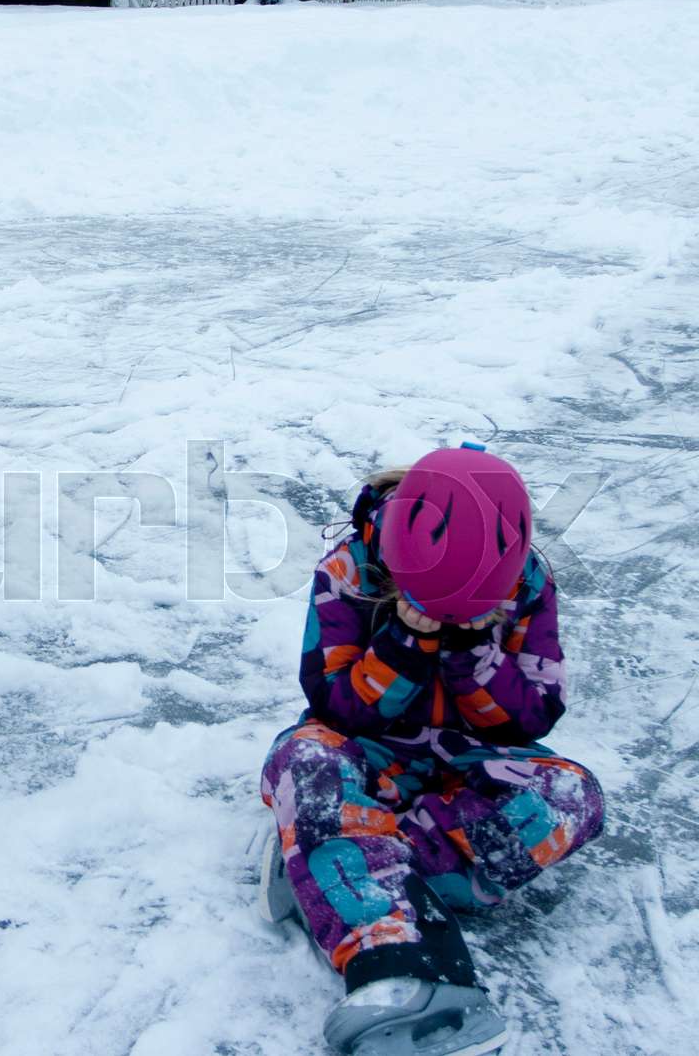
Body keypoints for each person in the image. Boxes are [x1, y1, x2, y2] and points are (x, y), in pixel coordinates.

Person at [256, 443, 605, 1055]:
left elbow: (534, 716)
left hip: (469, 762)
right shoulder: (350, 569)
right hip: (366, 751)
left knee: (573, 795)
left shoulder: (526, 582)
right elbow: (333, 701)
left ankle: (332, 863)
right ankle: (397, 961)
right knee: (304, 760)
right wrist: (407, 644)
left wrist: (475, 654)